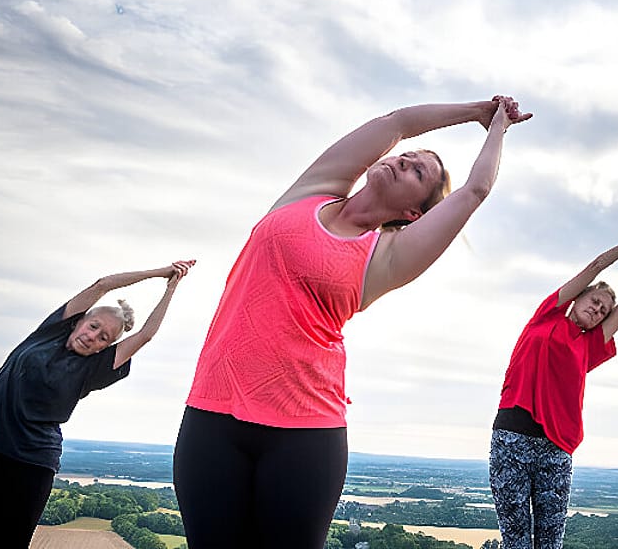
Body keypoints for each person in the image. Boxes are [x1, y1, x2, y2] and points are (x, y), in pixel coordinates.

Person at [174, 97, 530, 548]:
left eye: (417, 173)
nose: (403, 161)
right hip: (212, 415)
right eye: (407, 157)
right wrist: (476, 109)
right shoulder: (310, 192)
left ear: (414, 215)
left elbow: (474, 191)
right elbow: (397, 123)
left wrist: (497, 126)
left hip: (304, 434)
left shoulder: (386, 257)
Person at [0, 260, 195, 549]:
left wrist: (171, 286)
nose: (93, 336)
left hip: (30, 464)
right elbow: (102, 285)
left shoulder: (95, 368)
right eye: (93, 326)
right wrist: (158, 272)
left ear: (106, 347)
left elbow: (146, 335)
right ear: (78, 321)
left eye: (104, 337)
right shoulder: (50, 331)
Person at [489, 225, 618, 549]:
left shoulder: (590, 347)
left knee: (550, 544)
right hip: (511, 439)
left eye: (603, 311)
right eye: (595, 301)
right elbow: (596, 266)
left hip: (555, 450)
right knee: (516, 542)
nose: (597, 310)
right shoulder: (546, 315)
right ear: (579, 296)